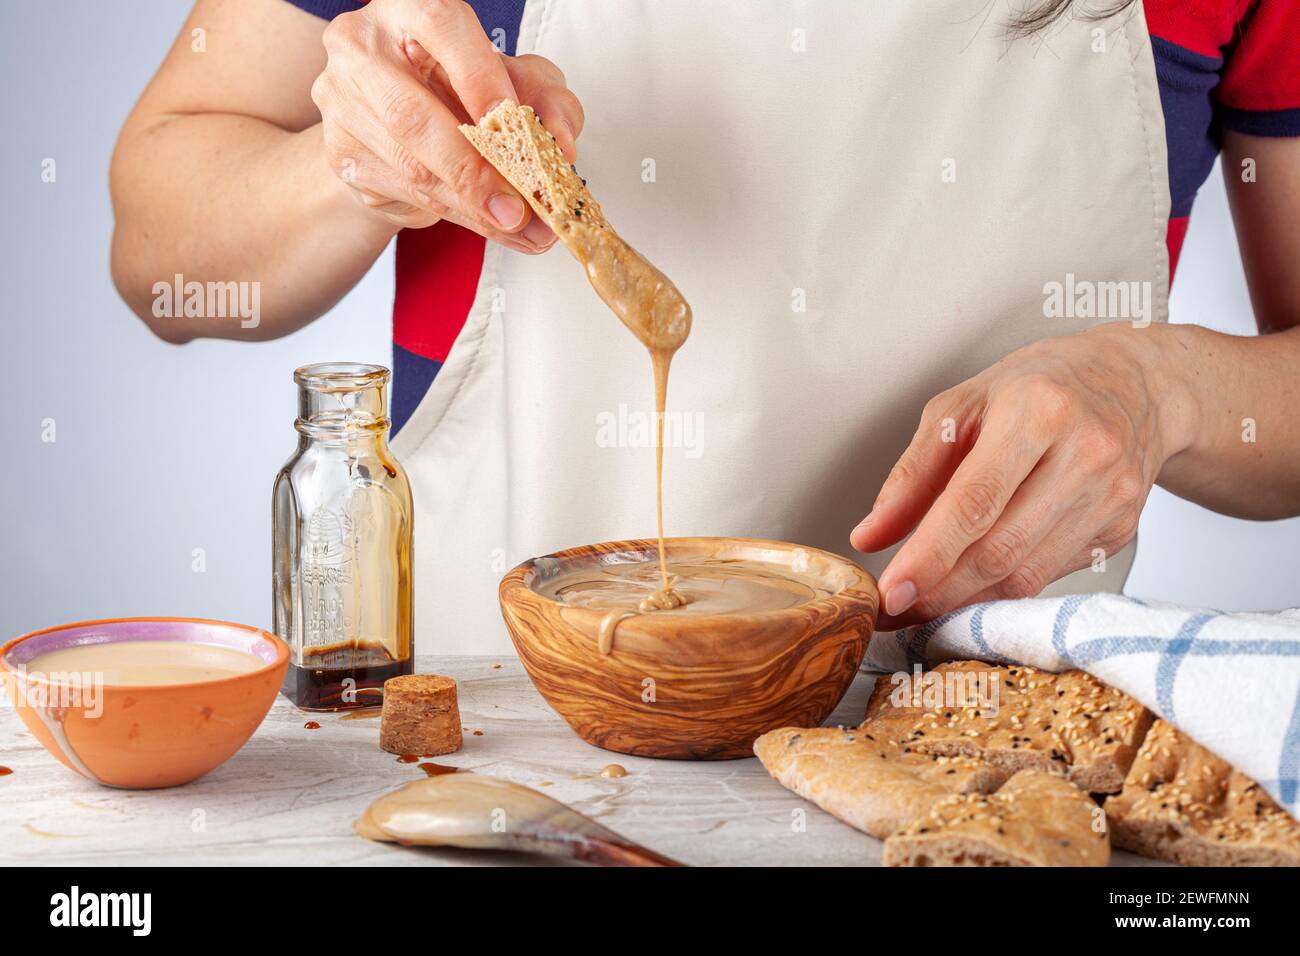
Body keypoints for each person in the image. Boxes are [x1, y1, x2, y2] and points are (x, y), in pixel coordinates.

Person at [110, 0, 1300, 654]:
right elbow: (158, 257)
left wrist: (1166, 389)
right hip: (502, 737)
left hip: (981, 755)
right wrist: (351, 160)